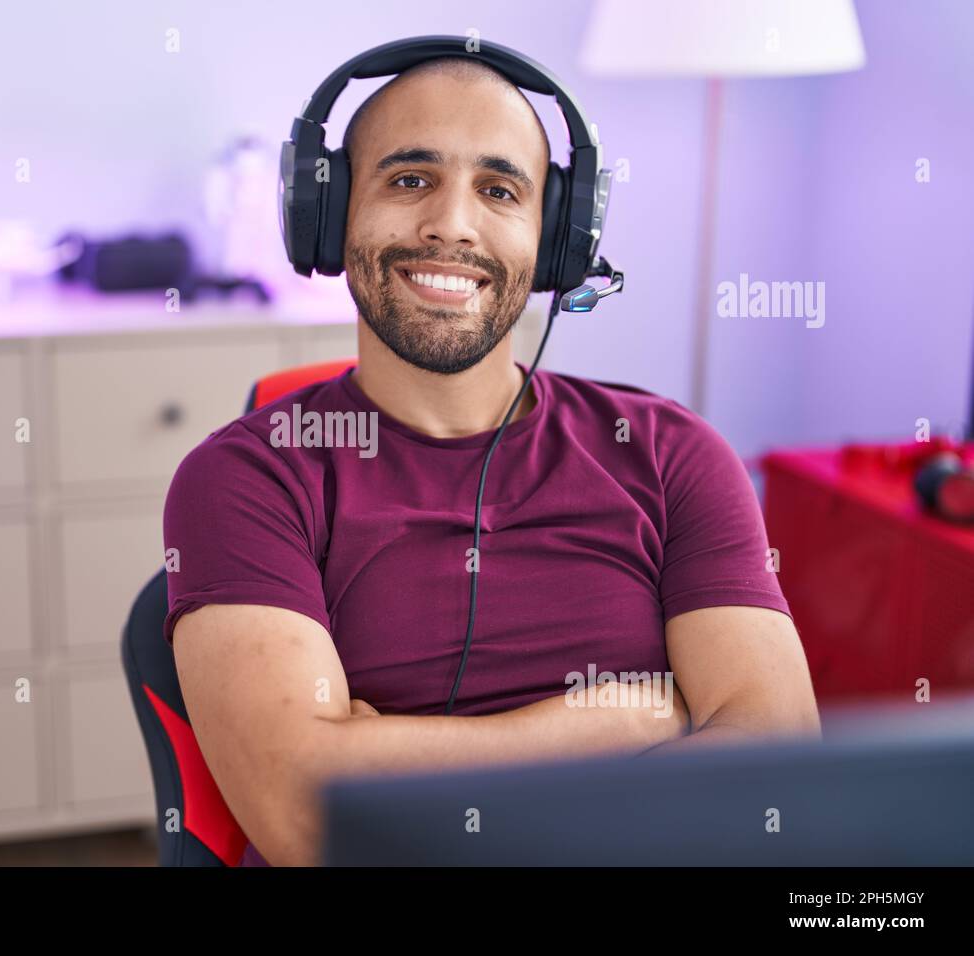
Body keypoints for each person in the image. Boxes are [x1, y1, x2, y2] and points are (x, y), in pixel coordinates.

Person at [162, 54, 820, 867]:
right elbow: (312, 818)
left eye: (501, 191)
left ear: (557, 242)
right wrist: (616, 722)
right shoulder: (245, 479)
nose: (453, 225)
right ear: (329, 216)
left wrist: (390, 761)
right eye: (408, 180)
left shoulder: (673, 454)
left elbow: (775, 776)